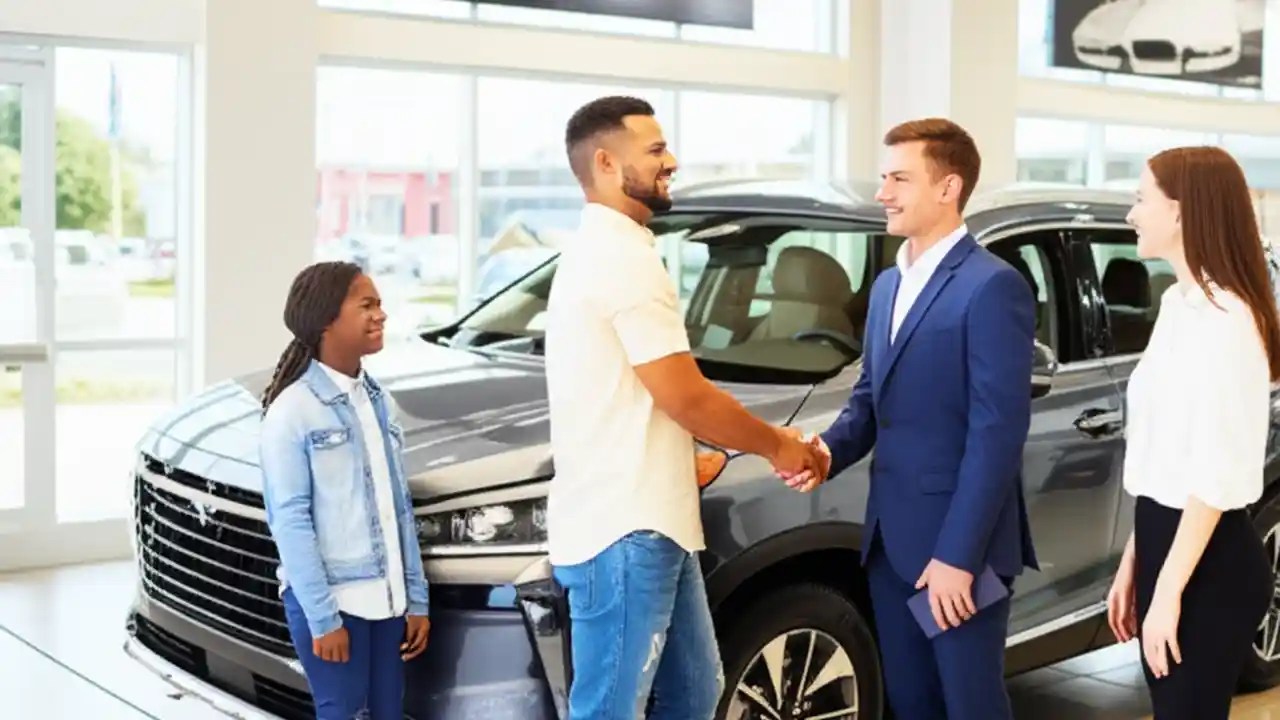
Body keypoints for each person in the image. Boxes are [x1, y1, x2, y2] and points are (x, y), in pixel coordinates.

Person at [544, 95, 823, 719]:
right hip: (625, 530)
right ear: (608, 164)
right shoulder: (621, 260)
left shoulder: (611, 250)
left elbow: (630, 396)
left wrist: (681, 456)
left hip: (655, 519)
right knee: (610, 710)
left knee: (696, 693)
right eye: (655, 150)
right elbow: (686, 395)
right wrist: (779, 445)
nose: (671, 160)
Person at [785, 118, 1037, 720]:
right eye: (883, 177)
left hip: (957, 550)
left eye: (899, 178)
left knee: (969, 704)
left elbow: (996, 435)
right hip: (890, 542)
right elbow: (871, 398)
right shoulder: (888, 285)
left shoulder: (992, 287)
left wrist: (957, 556)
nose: (883, 192)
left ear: (948, 188)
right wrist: (825, 453)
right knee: (912, 703)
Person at [1105, 146, 1277, 720]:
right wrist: (1135, 563)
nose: (1131, 214)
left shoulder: (1227, 322)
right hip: (1168, 542)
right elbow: (1163, 456)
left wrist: (1169, 591)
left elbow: (1211, 473)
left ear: (1181, 212)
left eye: (1139, 199)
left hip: (1209, 564)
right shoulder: (1179, 304)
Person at [259, 261, 431, 720]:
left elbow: (398, 510)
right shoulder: (292, 411)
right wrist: (323, 618)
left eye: (380, 304)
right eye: (367, 305)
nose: (381, 315)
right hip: (335, 606)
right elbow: (290, 521)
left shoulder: (379, 402)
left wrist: (415, 598)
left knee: (388, 714)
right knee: (341, 712)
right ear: (326, 321)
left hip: (389, 600)